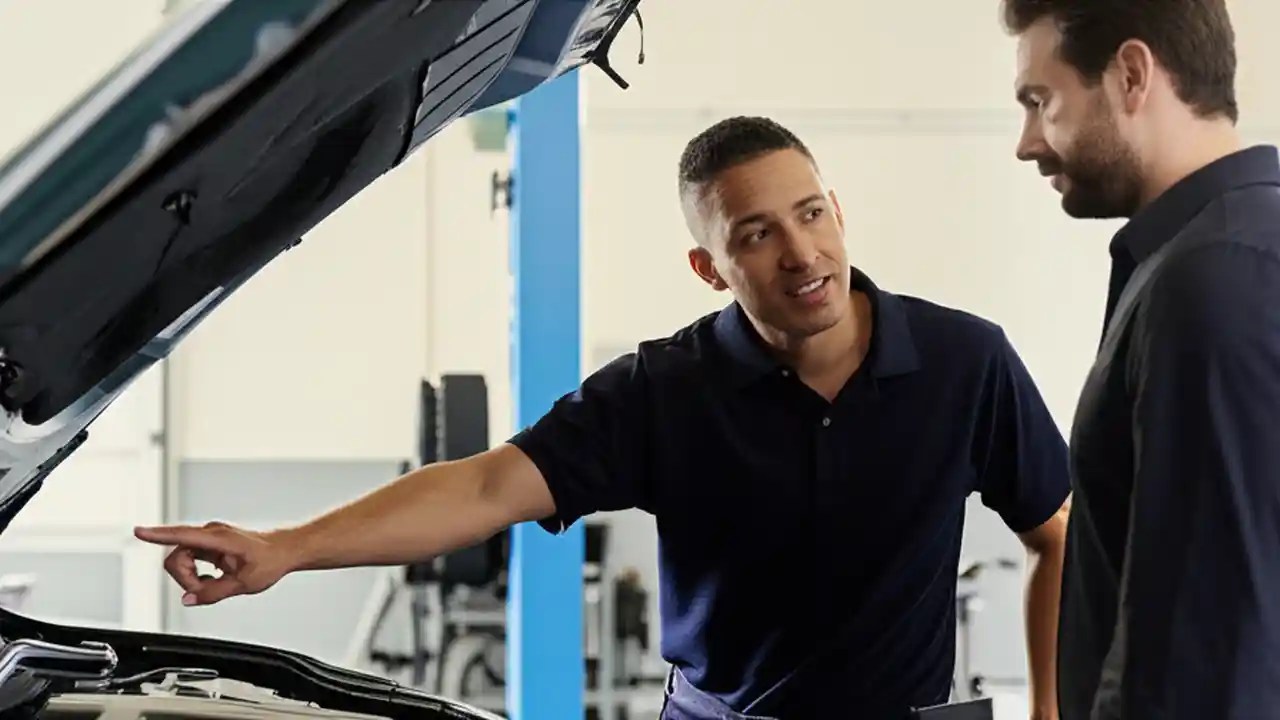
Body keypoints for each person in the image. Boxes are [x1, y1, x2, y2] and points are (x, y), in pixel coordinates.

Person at [135, 116, 1071, 719]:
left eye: (811, 214)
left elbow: (1056, 535)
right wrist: (287, 548)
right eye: (756, 234)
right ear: (709, 268)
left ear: (837, 211)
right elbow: (486, 487)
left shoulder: (965, 361)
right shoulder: (663, 390)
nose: (801, 252)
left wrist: (1052, 711)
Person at [1001, 1, 1280, 718]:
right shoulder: (1214, 255)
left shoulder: (1215, 277)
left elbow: (1203, 657)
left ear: (1130, 75)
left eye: (1041, 101)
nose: (1027, 143)